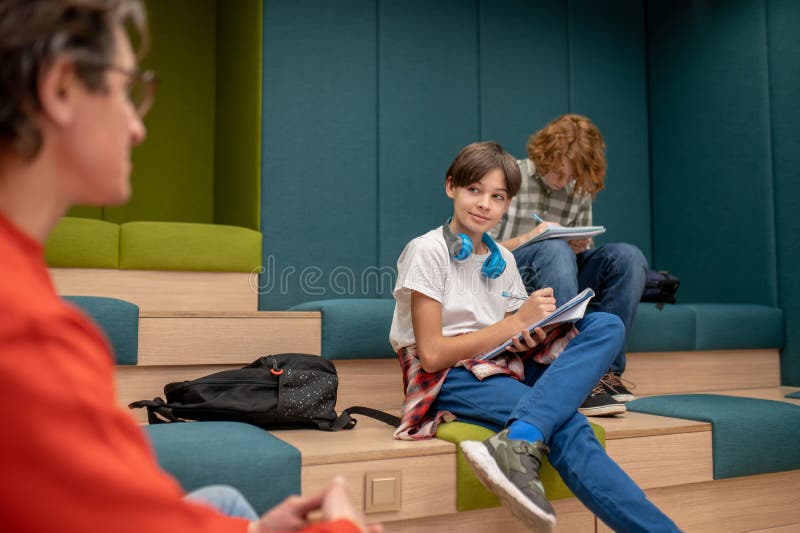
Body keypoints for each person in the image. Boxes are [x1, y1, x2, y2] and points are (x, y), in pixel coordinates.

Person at [0, 1, 380, 532]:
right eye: (127, 91)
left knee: (226, 501)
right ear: (60, 87)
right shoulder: (29, 333)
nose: (138, 127)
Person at [389, 142, 678, 532]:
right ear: (451, 186)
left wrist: (524, 332)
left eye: (497, 196)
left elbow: (509, 329)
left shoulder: (503, 260)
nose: (484, 204)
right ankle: (524, 435)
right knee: (569, 426)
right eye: (474, 190)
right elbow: (433, 354)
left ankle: (521, 436)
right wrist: (512, 325)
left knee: (606, 324)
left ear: (508, 204)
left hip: (498, 362)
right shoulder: (426, 250)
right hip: (448, 376)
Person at [490, 114, 648, 416]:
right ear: (545, 153)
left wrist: (579, 245)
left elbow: (577, 254)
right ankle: (568, 372)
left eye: (572, 175)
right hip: (514, 273)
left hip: (562, 270)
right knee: (553, 248)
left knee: (628, 257)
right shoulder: (511, 177)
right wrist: (532, 237)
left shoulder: (578, 189)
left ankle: (604, 371)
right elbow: (482, 250)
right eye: (560, 171)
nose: (565, 181)